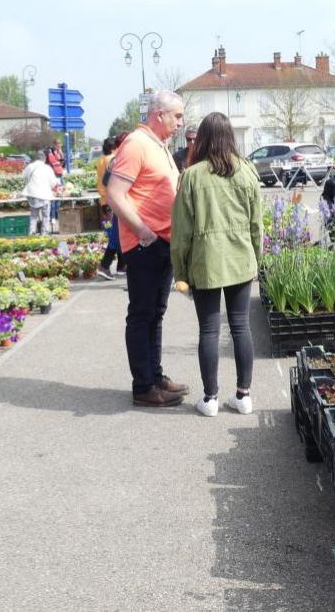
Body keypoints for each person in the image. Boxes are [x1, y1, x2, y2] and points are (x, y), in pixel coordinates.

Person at [171, 112, 262, 417]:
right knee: (240, 327)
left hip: (205, 261)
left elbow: (181, 234)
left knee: (208, 330)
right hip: (241, 259)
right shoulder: (247, 172)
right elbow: (256, 225)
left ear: (203, 138)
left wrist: (181, 275)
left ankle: (210, 399)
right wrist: (256, 262)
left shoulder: (192, 176)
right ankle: (244, 396)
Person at [106, 90, 190, 407]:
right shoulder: (136, 144)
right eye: (177, 116)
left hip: (161, 241)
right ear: (159, 114)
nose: (181, 123)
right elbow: (115, 194)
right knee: (142, 315)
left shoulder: (158, 145)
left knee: (155, 314)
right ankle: (143, 386)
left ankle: (154, 376)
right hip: (146, 244)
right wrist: (142, 230)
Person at [94, 137, 122, 279]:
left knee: (112, 232)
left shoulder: (100, 160)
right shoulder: (112, 159)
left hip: (104, 202)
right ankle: (106, 265)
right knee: (115, 235)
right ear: (114, 147)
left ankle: (121, 265)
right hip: (111, 203)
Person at [21, 156, 55, 235]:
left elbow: (23, 177)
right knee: (46, 216)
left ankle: (32, 233)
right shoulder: (47, 168)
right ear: (44, 159)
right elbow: (53, 183)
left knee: (33, 216)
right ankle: (44, 234)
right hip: (45, 195)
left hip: (32, 194)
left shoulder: (30, 166)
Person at [43, 139, 65, 229]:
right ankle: (52, 217)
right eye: (58, 144)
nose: (59, 146)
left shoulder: (59, 152)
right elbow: (51, 162)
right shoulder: (50, 151)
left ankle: (57, 216)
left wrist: (61, 153)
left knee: (59, 197)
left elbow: (63, 164)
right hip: (53, 177)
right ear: (54, 144)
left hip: (59, 176)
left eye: (60, 144)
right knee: (53, 198)